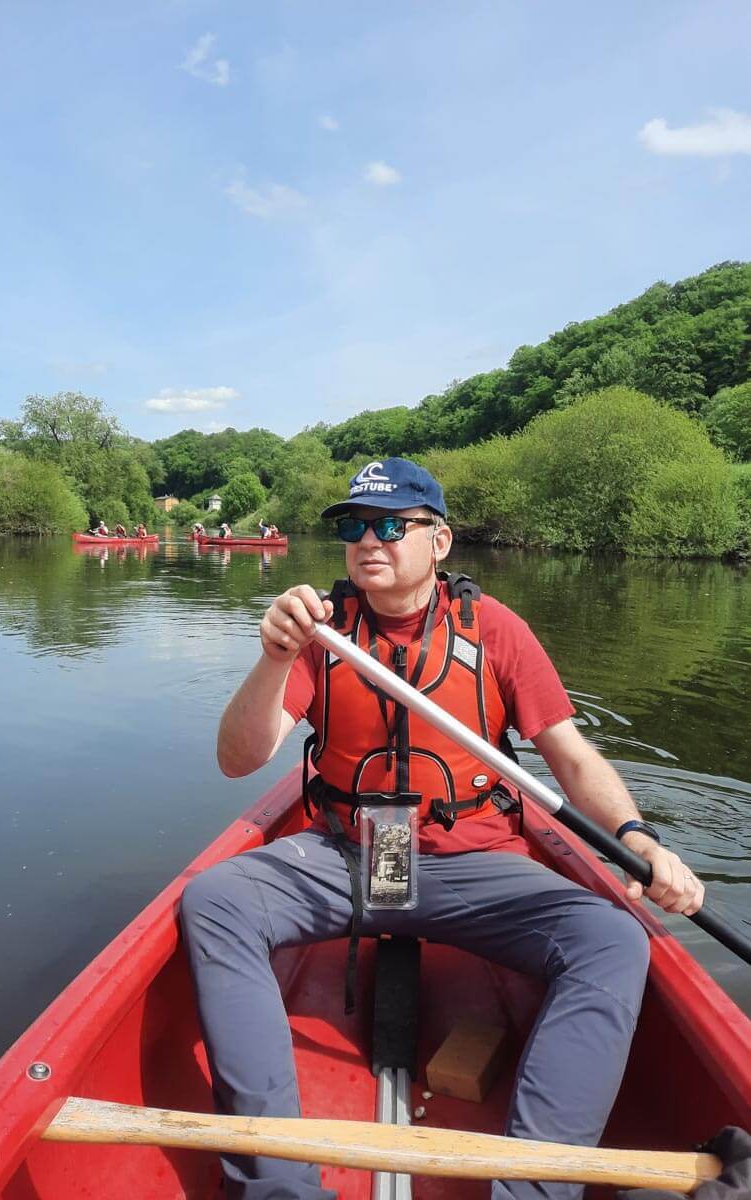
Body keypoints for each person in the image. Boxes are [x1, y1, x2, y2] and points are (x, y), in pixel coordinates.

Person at [180, 458, 704, 1200]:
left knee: (613, 938)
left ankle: (532, 1191)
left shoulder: (496, 630)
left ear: (441, 541)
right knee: (217, 901)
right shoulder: (321, 632)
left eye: (393, 525)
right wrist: (274, 659)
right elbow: (239, 761)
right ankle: (276, 1186)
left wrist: (639, 837)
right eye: (355, 527)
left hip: (474, 860)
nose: (370, 541)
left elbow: (570, 755)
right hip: (346, 852)